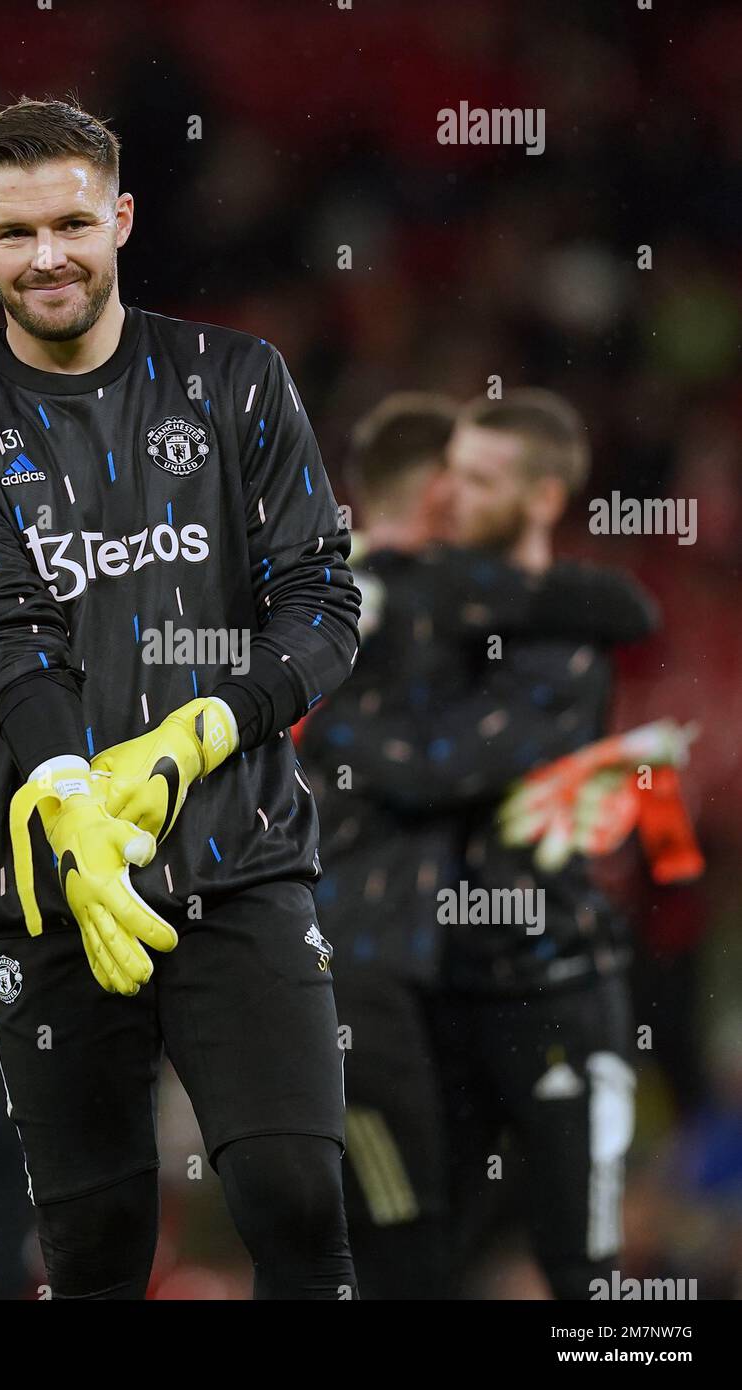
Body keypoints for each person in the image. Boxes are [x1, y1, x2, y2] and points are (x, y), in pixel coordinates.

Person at [0, 96, 362, 1300]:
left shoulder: (239, 378)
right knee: (94, 1253)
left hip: (236, 850)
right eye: (18, 231)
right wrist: (72, 798)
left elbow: (322, 603)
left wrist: (204, 730)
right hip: (48, 876)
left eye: (74, 222)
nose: (50, 256)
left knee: (297, 1196)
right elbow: (4, 629)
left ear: (123, 218)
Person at [302, 390, 659, 1298]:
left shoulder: (565, 644)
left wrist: (342, 733)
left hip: (551, 980)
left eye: (478, 477)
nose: (450, 493)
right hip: (428, 988)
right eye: (449, 471)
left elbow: (441, 766)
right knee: (415, 1257)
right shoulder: (418, 608)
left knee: (586, 1268)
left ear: (541, 498)